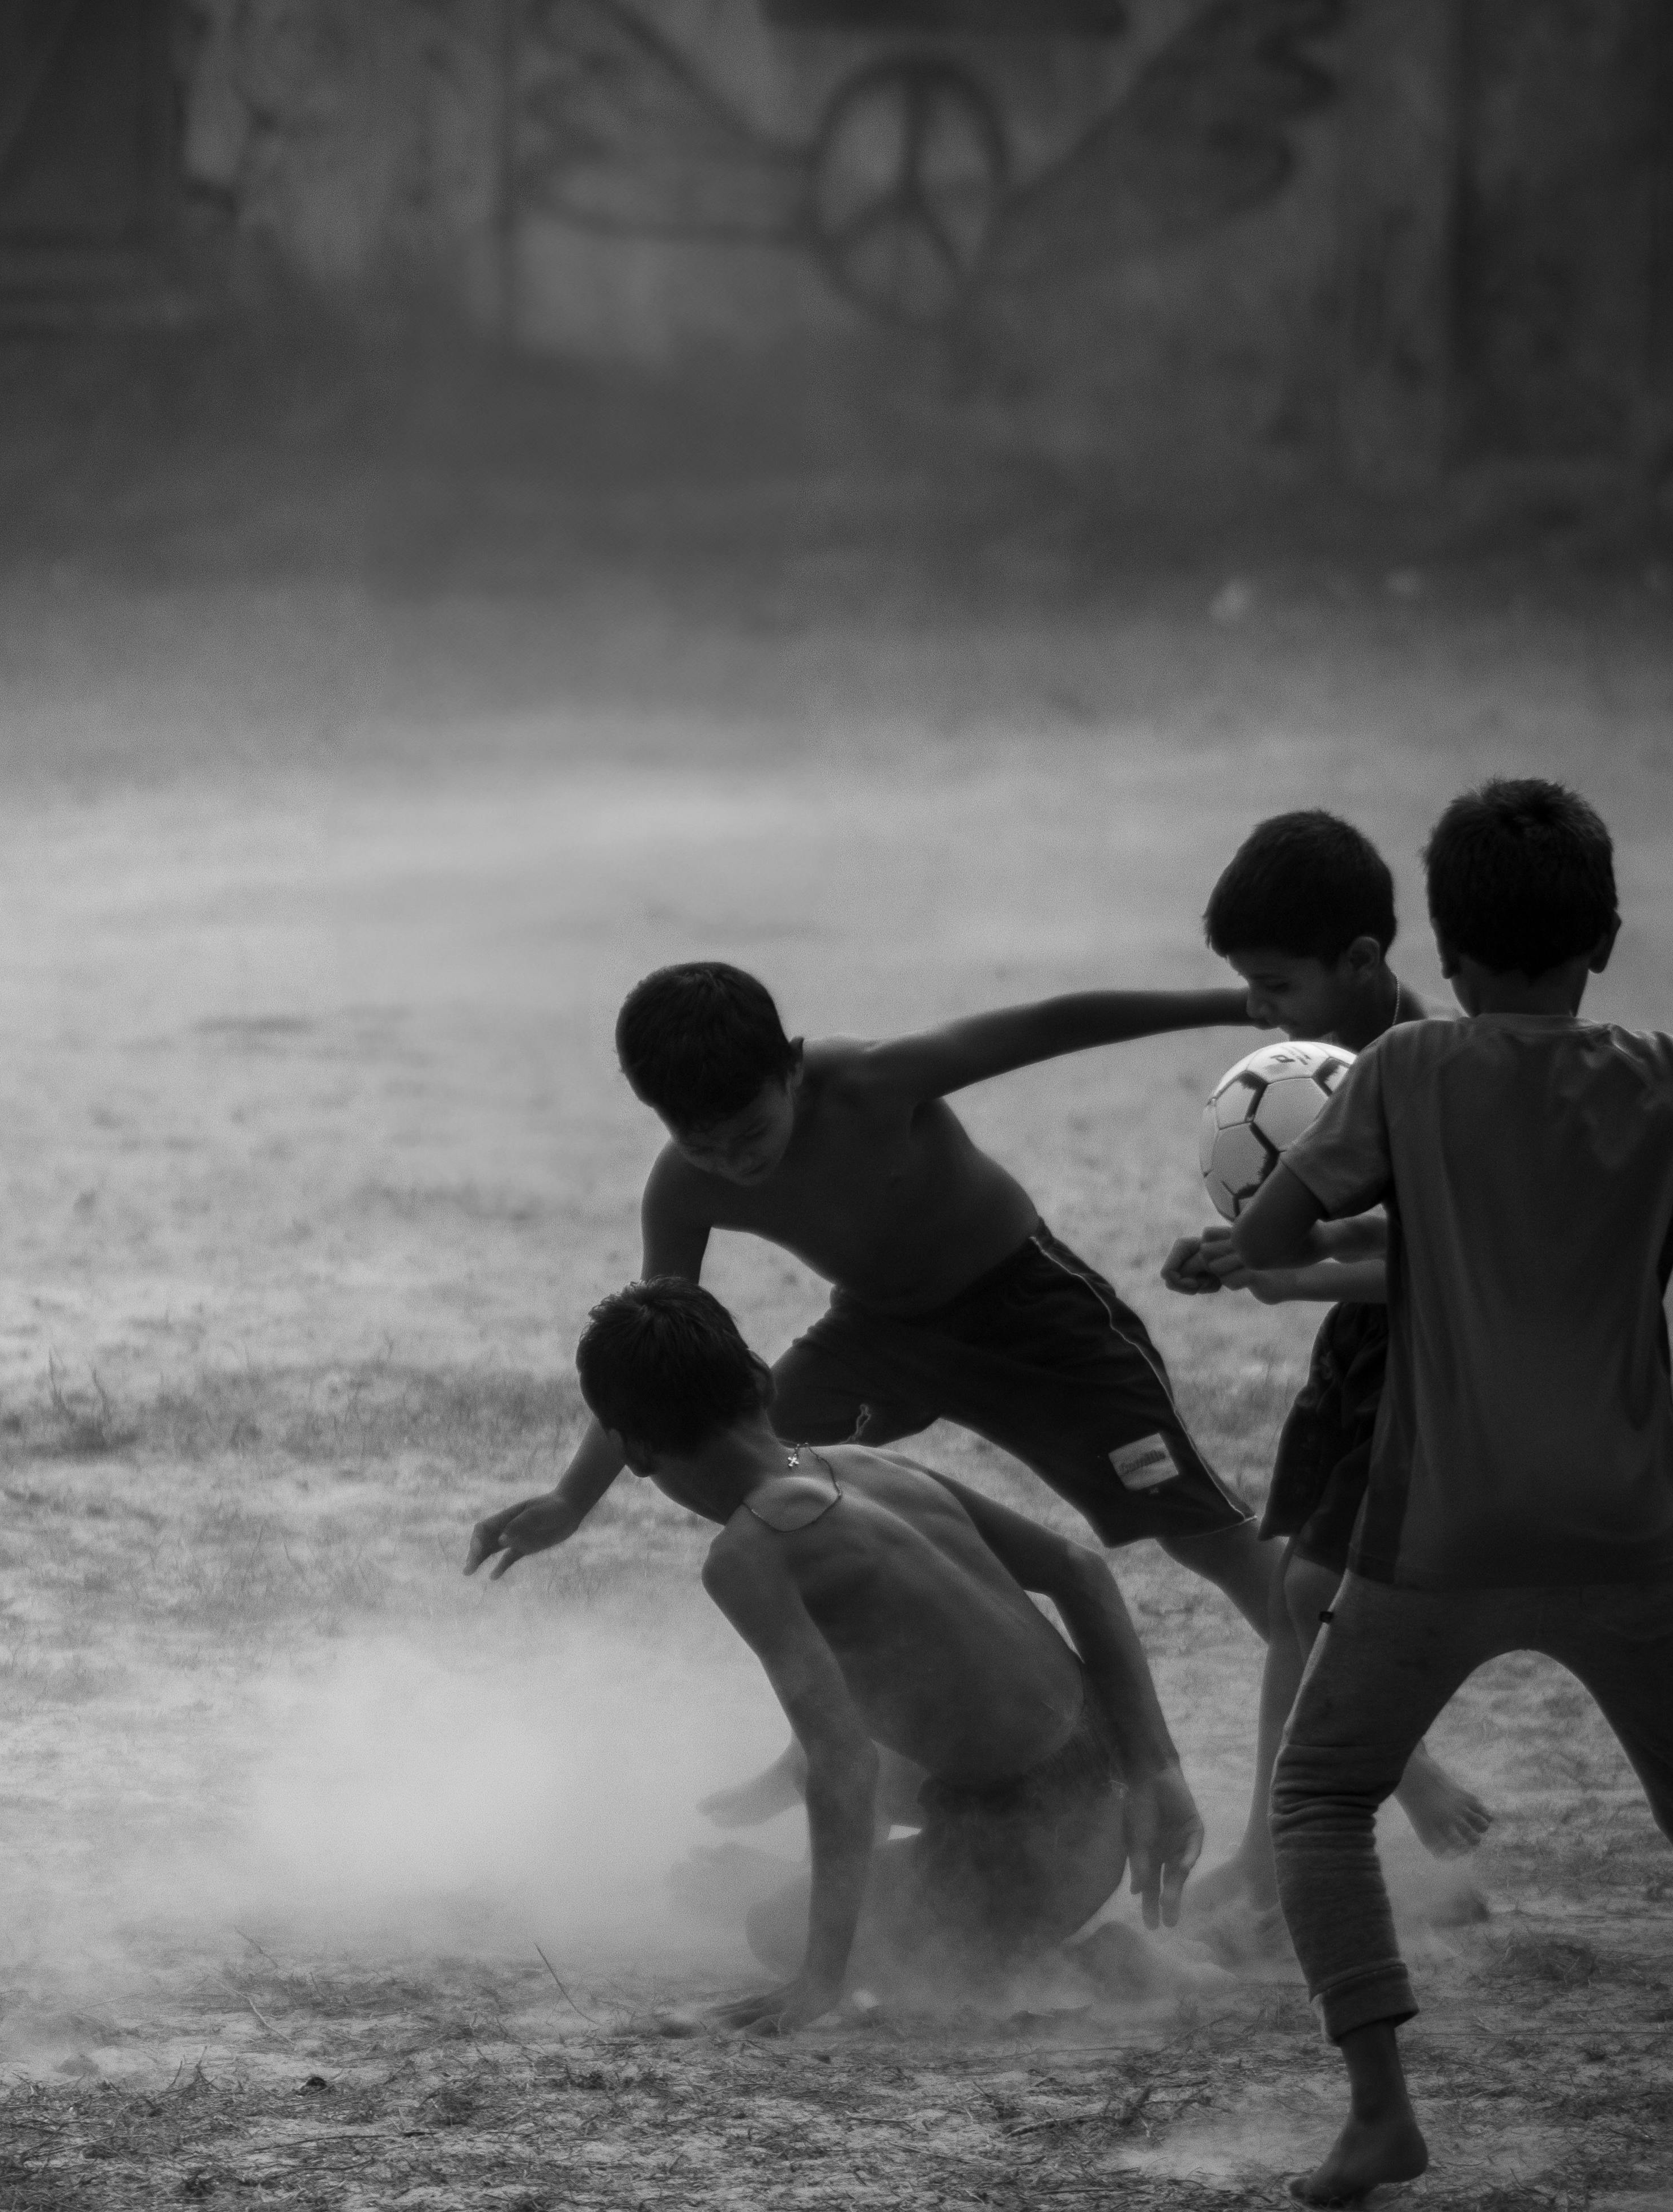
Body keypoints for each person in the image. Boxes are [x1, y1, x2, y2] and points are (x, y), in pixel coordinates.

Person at [1238, 778, 1673, 2206]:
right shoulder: (1665, 1073)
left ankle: (1380, 2114)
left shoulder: (1403, 1071)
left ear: (1448, 956)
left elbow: (1276, 1232)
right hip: (1625, 1528)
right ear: (1605, 934)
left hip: (1437, 1537)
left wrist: (1338, 1181)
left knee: (1323, 1795)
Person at [466, 962, 1300, 1903]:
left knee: (1213, 1542)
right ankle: (838, 1737)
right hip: (879, 1336)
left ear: (790, 1072)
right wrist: (572, 1500)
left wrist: (1239, 1005)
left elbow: (1056, 1020)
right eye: (702, 1146)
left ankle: (1353, 1756)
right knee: (745, 1470)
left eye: (748, 1134)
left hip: (1031, 1317)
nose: (733, 1162)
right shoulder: (681, 1188)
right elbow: (666, 1380)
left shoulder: (871, 1081)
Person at [567, 1278, 1205, 2026]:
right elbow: (1080, 1573)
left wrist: (817, 1979)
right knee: (824, 1814)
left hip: (1045, 1848)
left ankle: (1086, 1964)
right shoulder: (865, 1467)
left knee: (770, 1925)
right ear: (759, 1381)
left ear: (634, 1452)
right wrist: (1154, 1766)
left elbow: (846, 1765)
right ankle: (869, 1888)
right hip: (1100, 1775)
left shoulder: (749, 1554)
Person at [1160, 812, 1491, 1875]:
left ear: (1361, 961)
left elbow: (1442, 1269)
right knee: (1299, 1586)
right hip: (1355, 1356)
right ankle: (1267, 1853)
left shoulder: (1432, 1068)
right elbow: (1355, 1232)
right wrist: (1252, 1249)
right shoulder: (1324, 1065)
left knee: (1315, 1596)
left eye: (1276, 987)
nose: (1255, 1012)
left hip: (1421, 1368)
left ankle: (1332, 1826)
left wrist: (1288, 1275)